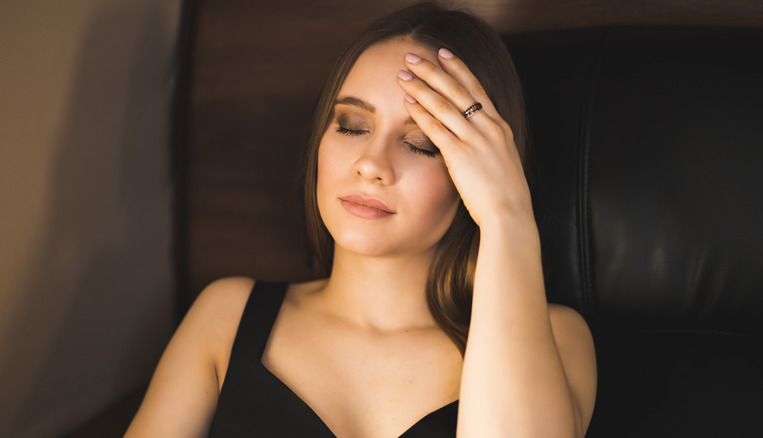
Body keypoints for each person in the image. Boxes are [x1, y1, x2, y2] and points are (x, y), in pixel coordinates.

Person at [126, 2, 597, 437]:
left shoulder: (557, 337)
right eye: (352, 126)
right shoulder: (226, 315)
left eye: (421, 144)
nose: (372, 163)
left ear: (480, 171)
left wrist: (507, 213)